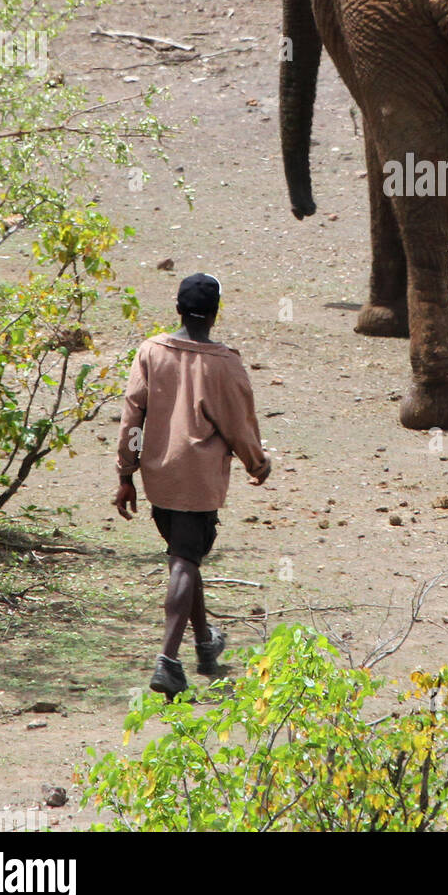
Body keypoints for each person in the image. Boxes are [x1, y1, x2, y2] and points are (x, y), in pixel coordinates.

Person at [113, 272, 270, 699]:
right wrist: (257, 463)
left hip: (159, 474)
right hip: (198, 478)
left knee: (185, 555)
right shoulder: (224, 363)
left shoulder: (150, 351)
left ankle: (204, 643)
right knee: (184, 560)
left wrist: (126, 474)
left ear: (178, 309)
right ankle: (167, 661)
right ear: (215, 314)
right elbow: (238, 423)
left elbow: (132, 416)